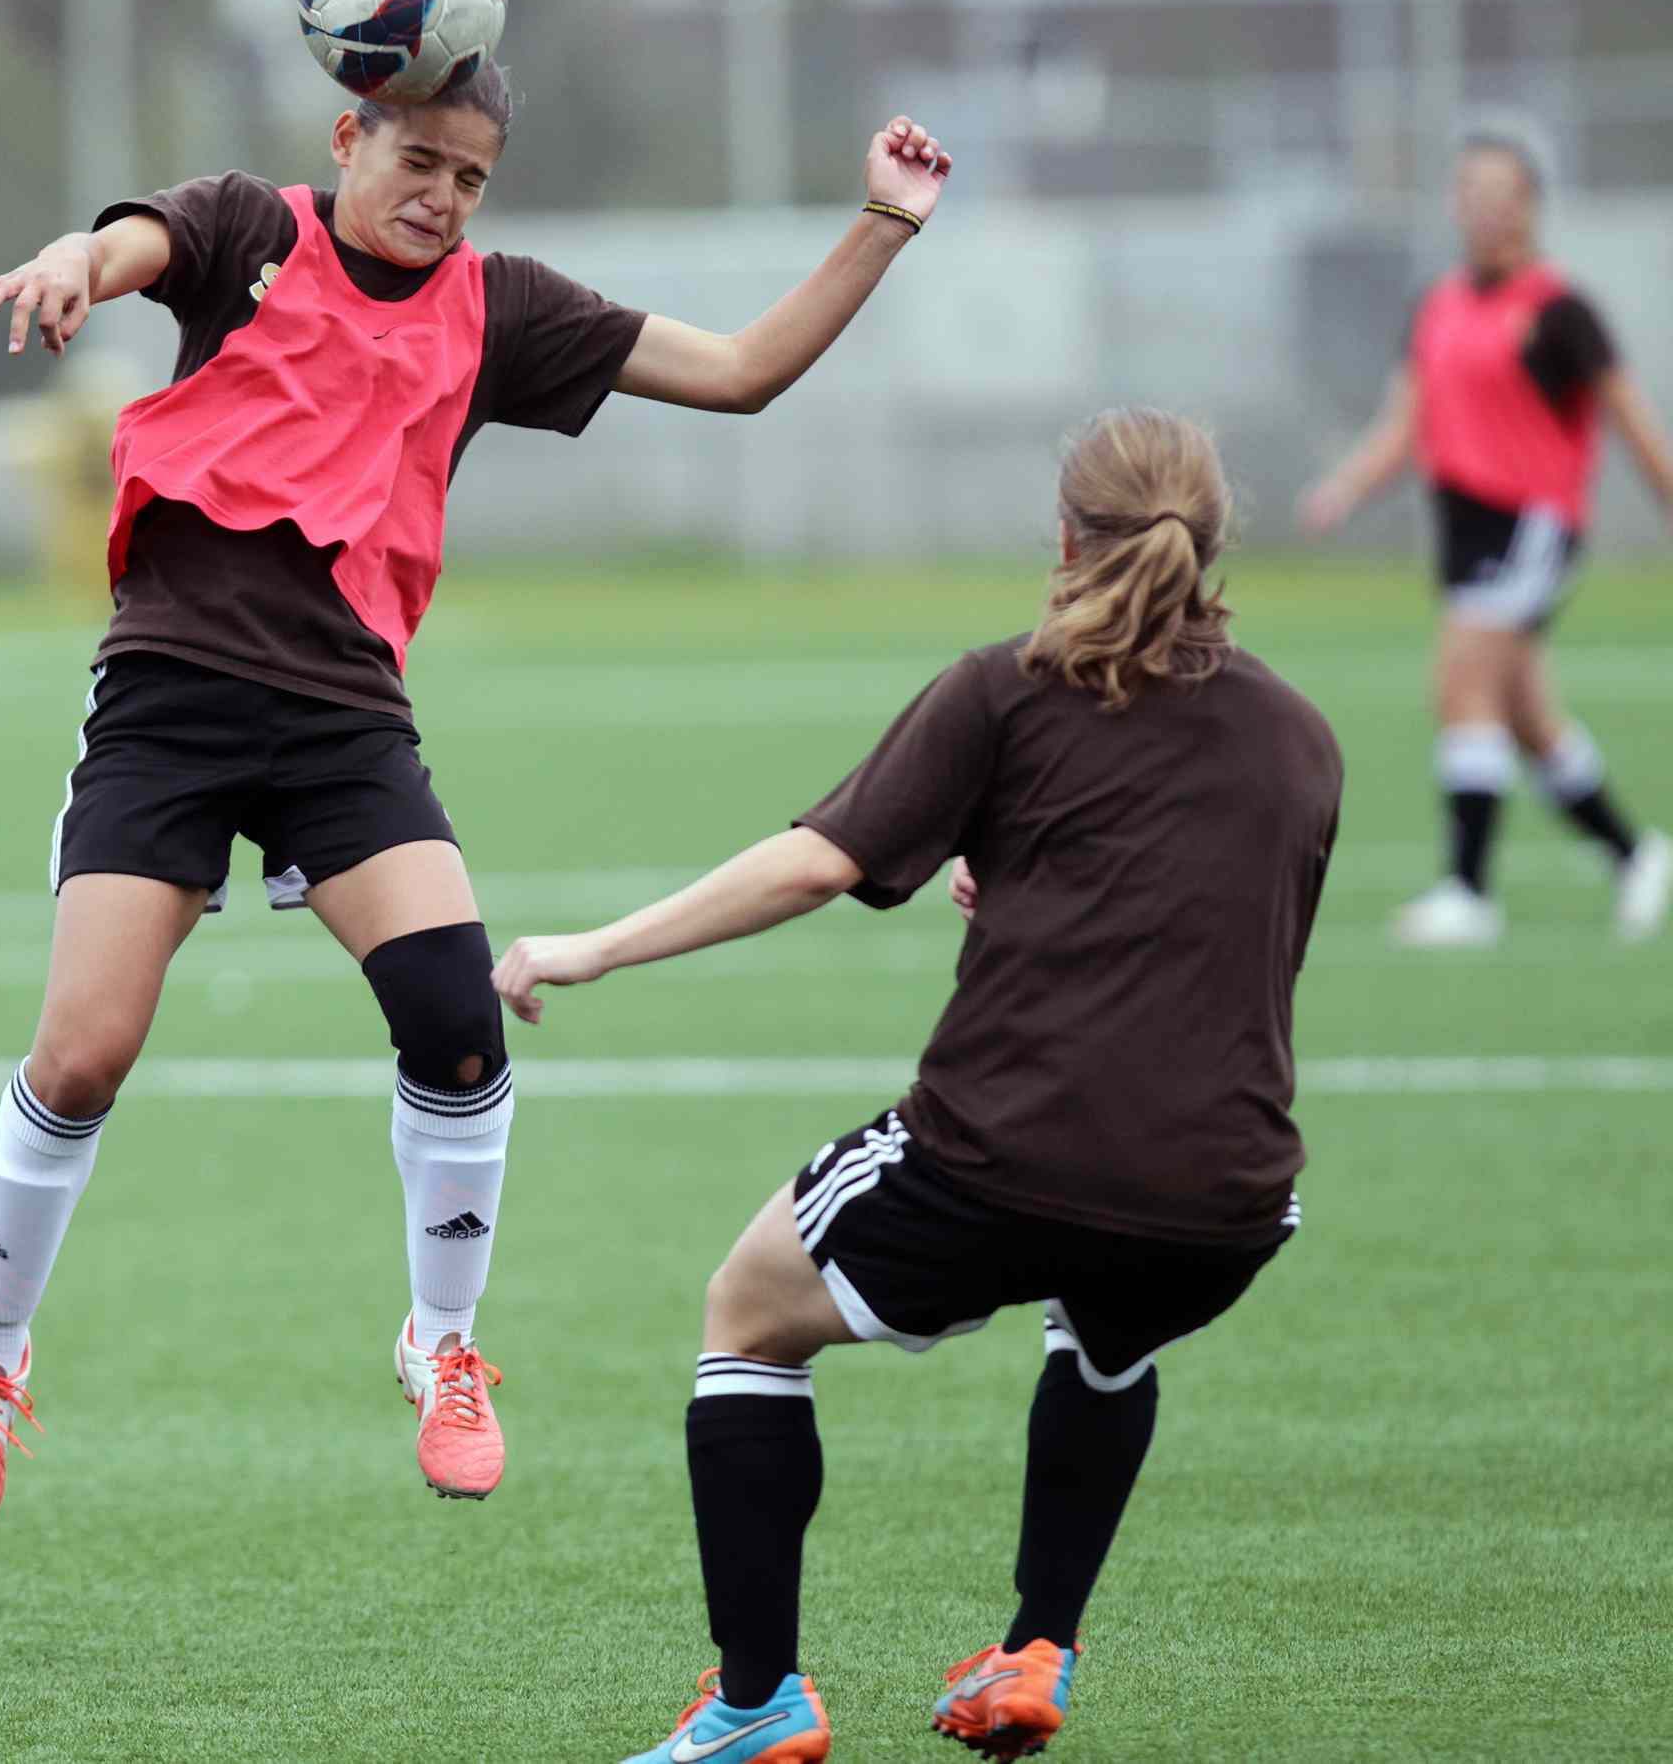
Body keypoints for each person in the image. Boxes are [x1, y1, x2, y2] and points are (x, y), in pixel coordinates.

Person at [0, 63, 954, 1540]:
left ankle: (442, 1345)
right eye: (417, 160)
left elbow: (737, 374)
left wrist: (882, 220)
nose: (440, 196)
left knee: (459, 1021)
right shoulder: (247, 230)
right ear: (350, 136)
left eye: (470, 178)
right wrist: (78, 260)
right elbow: (134, 244)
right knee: (84, 1055)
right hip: (170, 702)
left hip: (344, 723)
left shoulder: (500, 309)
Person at [494, 410, 1343, 1763]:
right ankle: (1037, 1652)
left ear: (1063, 541)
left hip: (1008, 1160)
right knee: (1112, 1329)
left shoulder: (1007, 689)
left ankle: (757, 1701)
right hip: (1229, 1202)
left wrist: (591, 948)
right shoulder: (1302, 738)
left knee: (750, 1310)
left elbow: (816, 863)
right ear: (1212, 545)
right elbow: (1194, 939)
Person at [1303, 123, 1673, 948]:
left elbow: (1632, 422)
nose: (1484, 210)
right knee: (1526, 716)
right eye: (1470, 193)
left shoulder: (1561, 311)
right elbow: (1405, 427)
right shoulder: (1436, 308)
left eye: (1501, 195)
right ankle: (1636, 854)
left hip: (1535, 526)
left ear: (1531, 207)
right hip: (1464, 533)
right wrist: (1344, 489)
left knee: (1463, 675)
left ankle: (1468, 891)